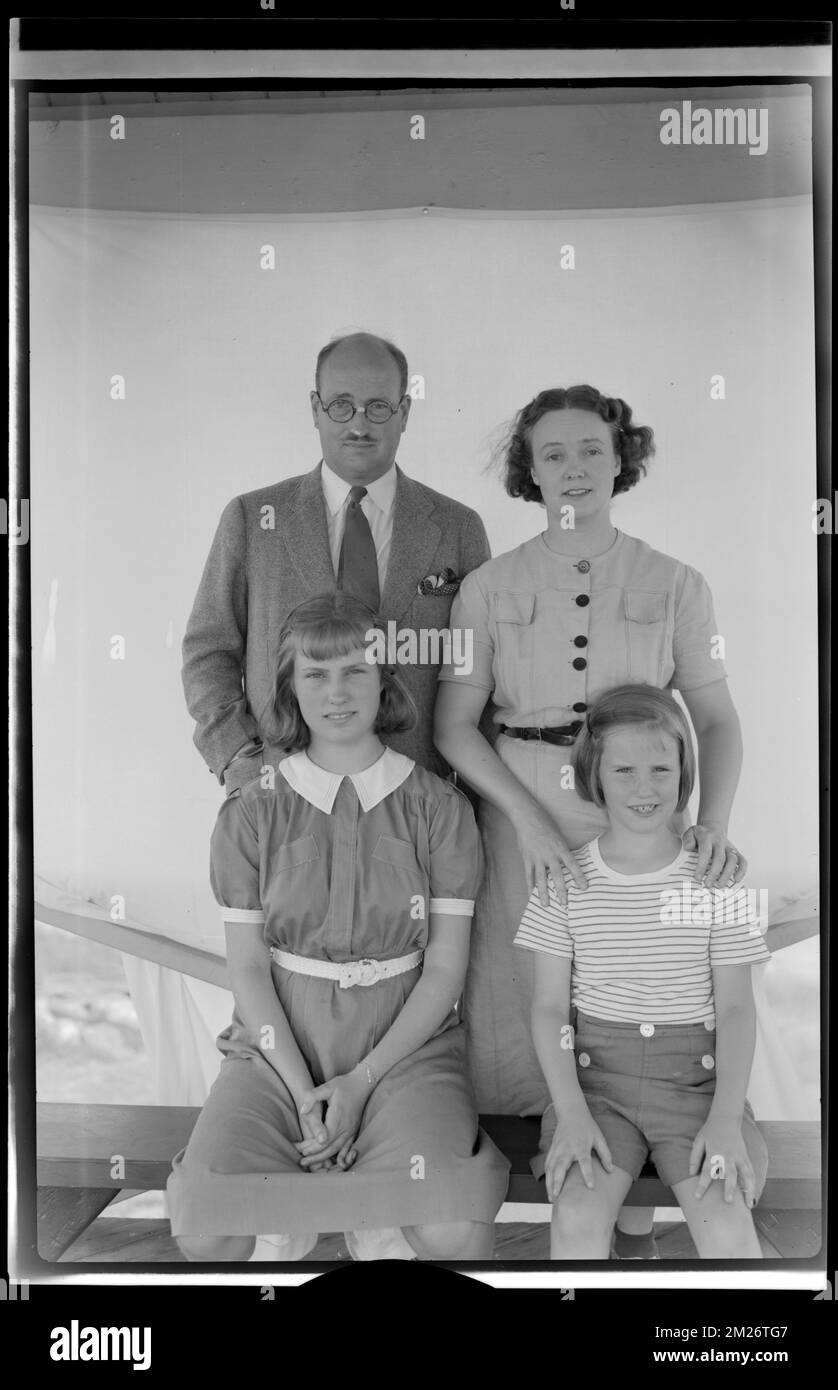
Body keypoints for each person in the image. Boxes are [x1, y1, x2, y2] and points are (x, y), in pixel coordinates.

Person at [434, 384, 748, 1257]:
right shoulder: (487, 588)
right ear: (530, 473)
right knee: (519, 997)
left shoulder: (676, 583)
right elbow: (453, 725)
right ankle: (567, 1186)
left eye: (591, 450)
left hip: (644, 813)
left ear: (621, 460)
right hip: (519, 810)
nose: (574, 469)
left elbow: (717, 721)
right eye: (553, 454)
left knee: (652, 978)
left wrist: (712, 826)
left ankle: (639, 1207)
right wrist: (529, 822)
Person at [167, 594, 509, 1262]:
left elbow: (444, 970)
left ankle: (377, 1217)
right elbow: (247, 970)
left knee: (453, 1226)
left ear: (385, 680)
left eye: (356, 670)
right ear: (290, 688)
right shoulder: (252, 810)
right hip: (278, 1045)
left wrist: (359, 1083)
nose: (337, 692)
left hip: (404, 1046)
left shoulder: (439, 806)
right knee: (206, 1228)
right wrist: (306, 1096)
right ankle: (298, 1215)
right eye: (316, 674)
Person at [512, 684, 770, 1259]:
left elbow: (735, 1008)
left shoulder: (718, 878)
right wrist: (572, 1114)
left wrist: (726, 1120)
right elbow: (549, 1009)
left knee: (727, 1226)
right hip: (595, 1091)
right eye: (624, 770)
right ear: (595, 776)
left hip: (699, 1091)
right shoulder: (563, 882)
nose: (644, 788)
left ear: (684, 774)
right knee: (577, 1218)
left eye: (661, 769)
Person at [182, 330, 491, 793]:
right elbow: (209, 651)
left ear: (405, 412)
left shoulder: (458, 527)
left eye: (378, 406)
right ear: (315, 408)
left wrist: (466, 799)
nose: (359, 425)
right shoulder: (253, 519)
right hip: (282, 798)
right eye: (341, 405)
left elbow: (478, 672)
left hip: (419, 803)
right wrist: (241, 764)